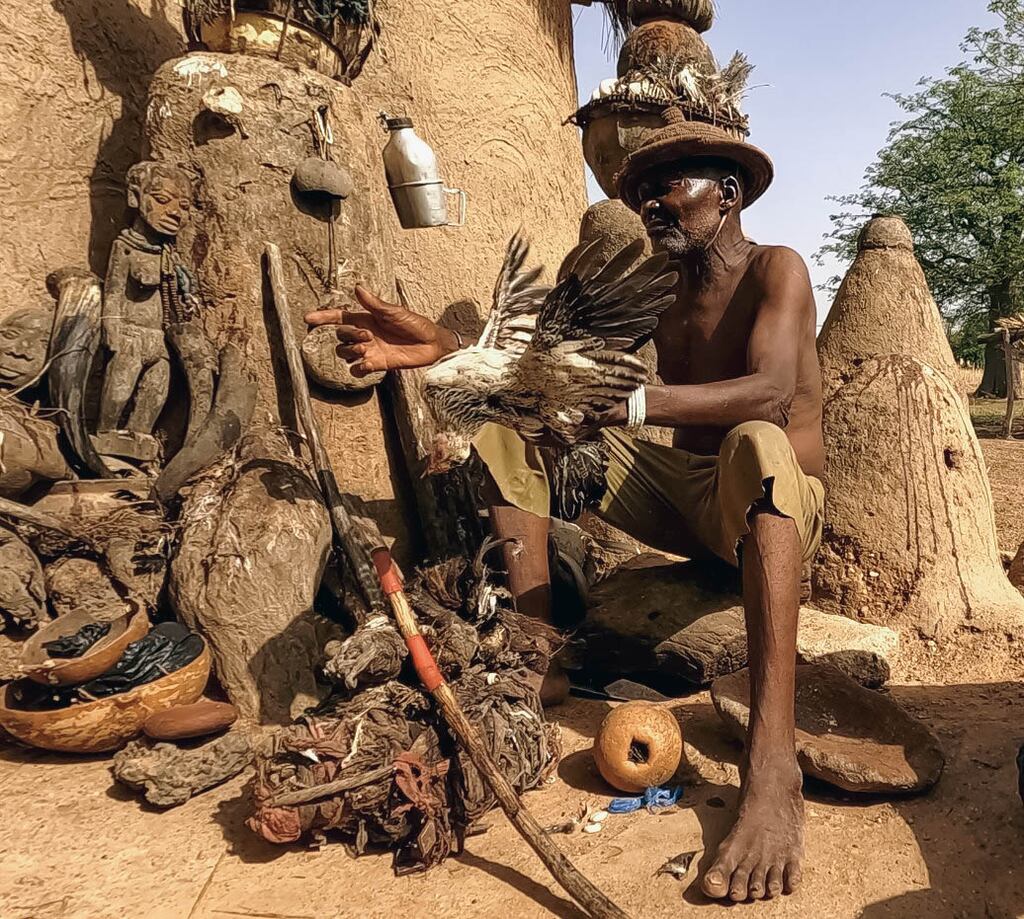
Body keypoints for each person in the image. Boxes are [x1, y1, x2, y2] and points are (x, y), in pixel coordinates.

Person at [306, 109, 823, 904]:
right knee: (517, 430)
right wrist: (448, 353)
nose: (653, 203)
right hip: (685, 502)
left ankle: (773, 762)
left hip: (767, 500)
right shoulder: (661, 292)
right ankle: (533, 662)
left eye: (670, 186)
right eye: (643, 189)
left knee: (755, 436)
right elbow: (553, 379)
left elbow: (772, 390)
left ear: (727, 194)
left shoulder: (775, 269)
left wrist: (633, 405)